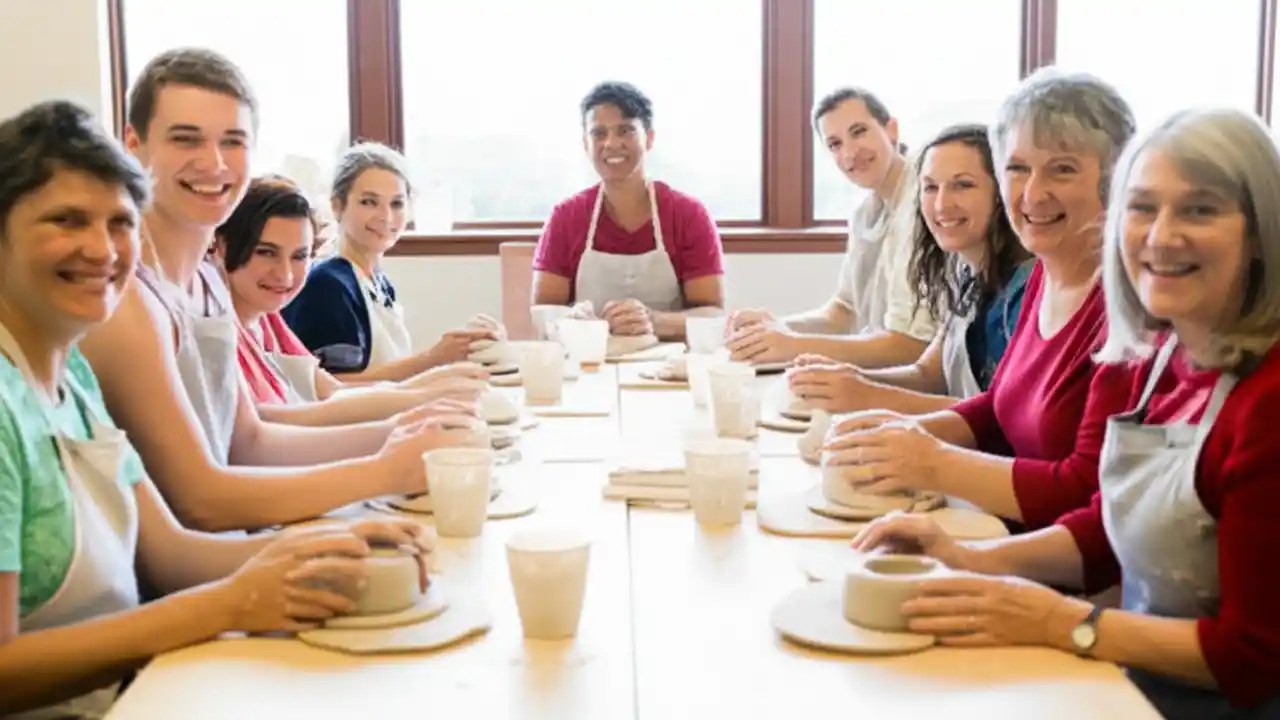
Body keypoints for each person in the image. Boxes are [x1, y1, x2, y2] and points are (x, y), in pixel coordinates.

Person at [0, 99, 432, 718]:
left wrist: (338, 544)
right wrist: (227, 604)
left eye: (121, 223)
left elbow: (172, 552)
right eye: (67, 220)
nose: (102, 249)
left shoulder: (75, 379)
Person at [850, 107, 1280, 719]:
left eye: (1200, 210)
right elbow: (1108, 526)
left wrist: (1065, 622)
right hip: (1131, 683)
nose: (1160, 236)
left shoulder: (1266, 405)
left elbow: (1251, 657)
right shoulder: (1161, 354)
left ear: (1262, 231)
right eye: (1143, 207)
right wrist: (968, 557)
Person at [79, 47, 482, 532]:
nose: (213, 163)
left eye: (233, 142)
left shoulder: (209, 281)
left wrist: (404, 430)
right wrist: (381, 469)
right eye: (186, 139)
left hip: (244, 536)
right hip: (196, 568)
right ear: (133, 144)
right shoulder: (125, 295)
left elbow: (250, 442)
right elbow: (200, 501)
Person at [823, 69, 1135, 530]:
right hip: (1002, 530)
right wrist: (891, 432)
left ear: (1117, 179)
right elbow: (995, 409)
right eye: (1018, 168)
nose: (1032, 193)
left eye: (1063, 169)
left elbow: (1085, 495)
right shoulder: (1042, 280)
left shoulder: (1124, 309)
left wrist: (931, 461)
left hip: (1044, 557)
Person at [788, 123, 1033, 413]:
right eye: (930, 187)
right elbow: (927, 375)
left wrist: (867, 394)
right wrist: (847, 378)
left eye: (962, 185)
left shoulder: (1029, 291)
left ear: (1002, 192)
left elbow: (1005, 420)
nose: (941, 204)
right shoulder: (966, 274)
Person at [214, 175, 488, 426]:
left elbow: (333, 391)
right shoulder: (221, 332)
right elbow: (270, 426)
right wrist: (424, 391)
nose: (284, 274)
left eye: (299, 256)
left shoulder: (268, 320)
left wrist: (441, 381)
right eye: (266, 252)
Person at [726, 87, 937, 368]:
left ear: (891, 130)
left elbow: (910, 346)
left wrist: (792, 344)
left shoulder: (925, 205)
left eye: (859, 131)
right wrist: (773, 328)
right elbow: (842, 311)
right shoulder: (865, 213)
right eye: (835, 144)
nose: (850, 152)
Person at [530, 81, 726, 340]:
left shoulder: (688, 215)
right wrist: (591, 325)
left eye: (625, 131)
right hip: (588, 367)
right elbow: (545, 314)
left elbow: (712, 316)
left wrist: (653, 321)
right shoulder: (566, 217)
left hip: (669, 369)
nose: (611, 143)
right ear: (585, 144)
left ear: (650, 138)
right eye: (599, 133)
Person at [282, 142, 495, 379]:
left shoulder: (378, 283)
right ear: (337, 206)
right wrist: (433, 359)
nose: (386, 216)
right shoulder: (328, 285)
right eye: (369, 202)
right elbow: (333, 387)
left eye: (396, 203)